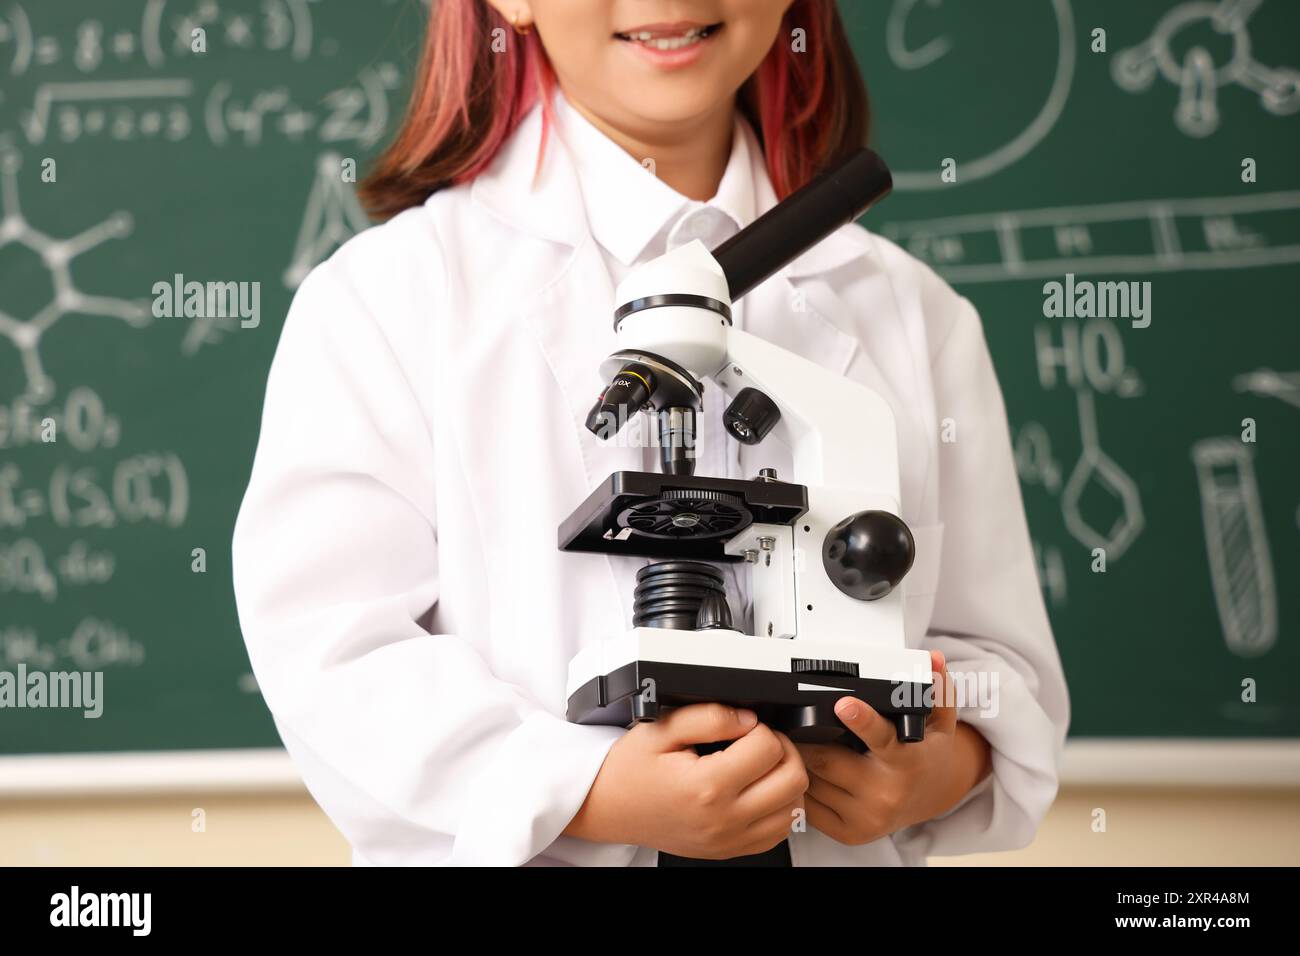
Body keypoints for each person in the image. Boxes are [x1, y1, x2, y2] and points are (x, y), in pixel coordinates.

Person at [231, 0, 1070, 866]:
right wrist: (586, 792)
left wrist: (928, 772)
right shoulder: (385, 300)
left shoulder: (914, 315)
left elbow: (998, 671)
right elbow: (337, 656)